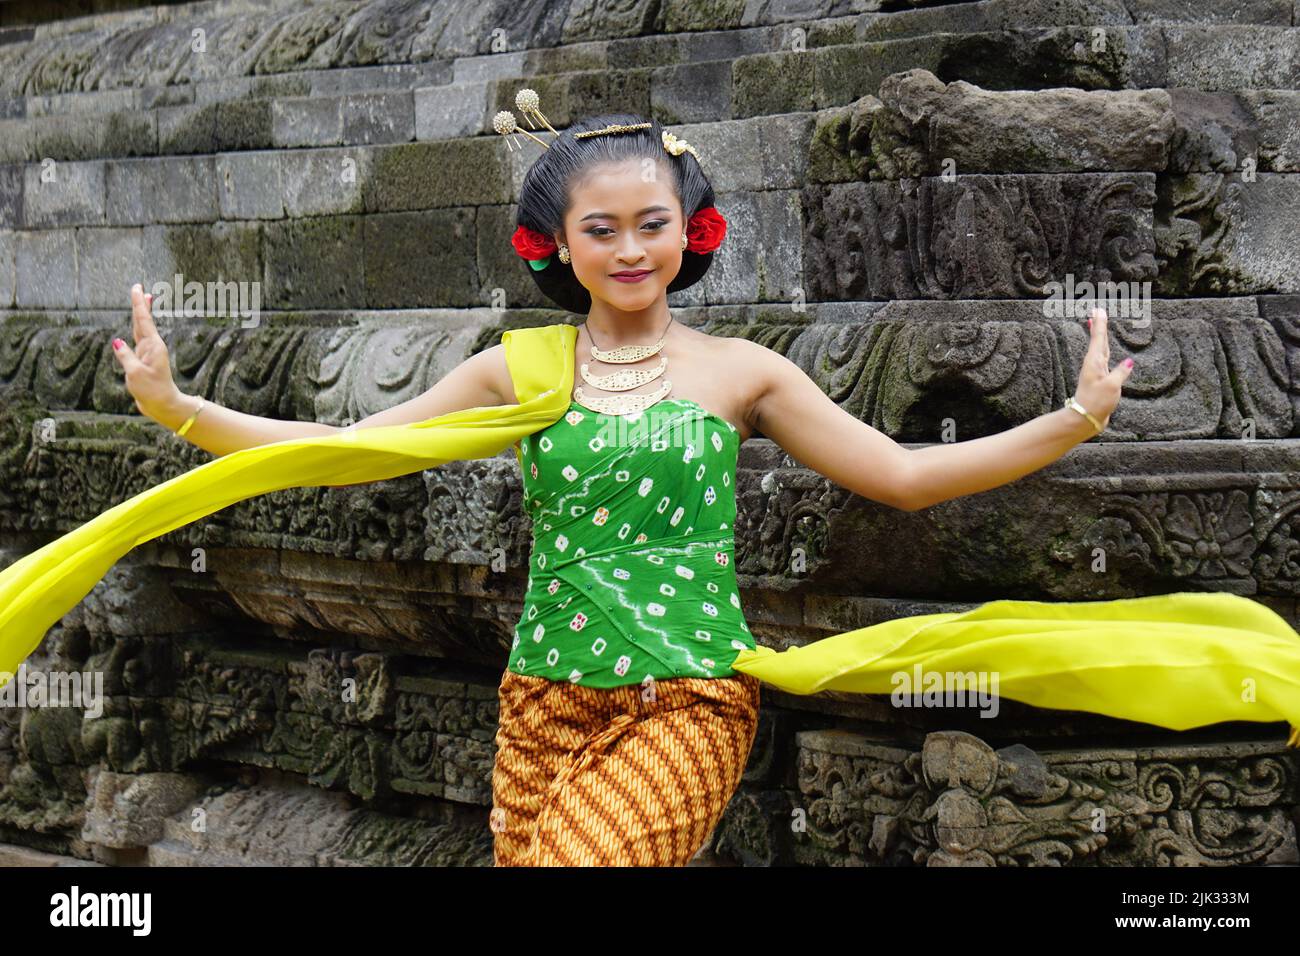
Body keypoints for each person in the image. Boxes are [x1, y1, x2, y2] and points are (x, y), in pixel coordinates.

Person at [9, 97, 1299, 867]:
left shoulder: (742, 371)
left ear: (691, 232)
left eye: (653, 223)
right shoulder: (519, 368)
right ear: (555, 247)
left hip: (688, 695)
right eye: (600, 228)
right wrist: (181, 408)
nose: (631, 248)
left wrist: (1071, 421)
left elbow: (902, 477)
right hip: (541, 705)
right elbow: (341, 452)